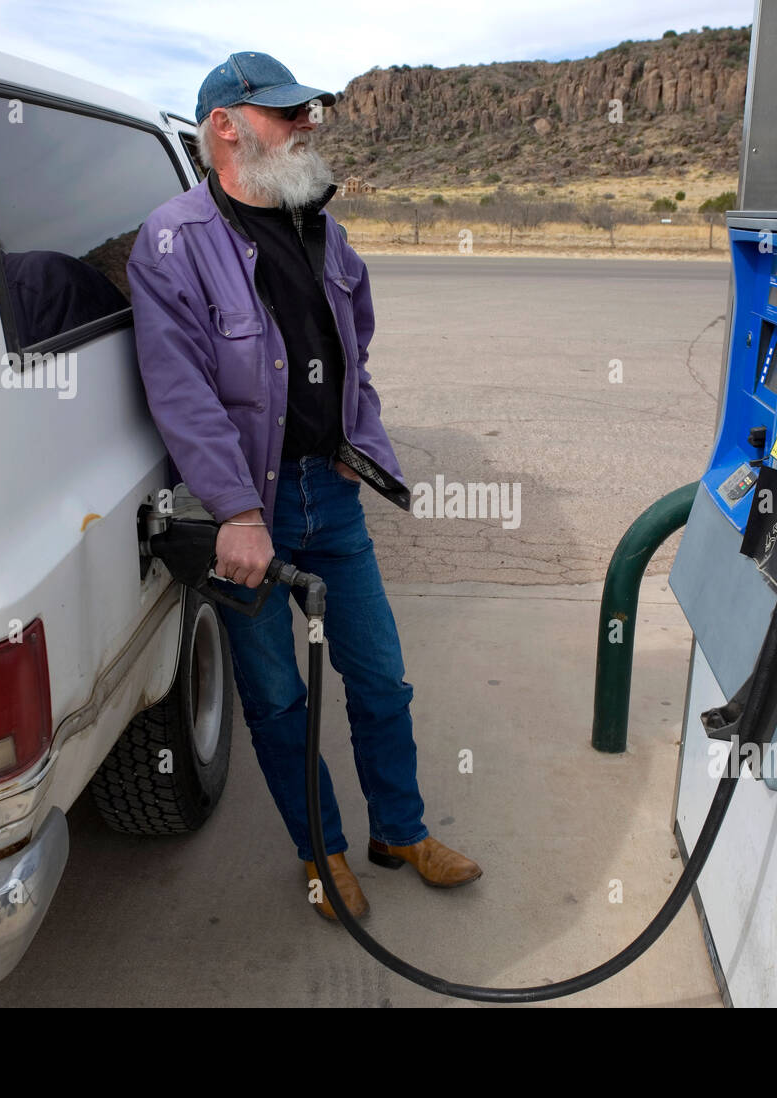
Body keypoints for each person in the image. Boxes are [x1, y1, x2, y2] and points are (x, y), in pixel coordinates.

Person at [126, 51, 480, 921]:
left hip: (333, 497)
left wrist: (364, 441)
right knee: (280, 701)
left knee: (382, 680)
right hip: (251, 511)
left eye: (307, 111)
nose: (309, 123)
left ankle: (398, 829)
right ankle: (318, 852)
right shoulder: (173, 244)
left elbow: (354, 354)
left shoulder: (323, 230)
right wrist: (239, 512)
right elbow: (182, 394)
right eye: (288, 113)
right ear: (228, 127)